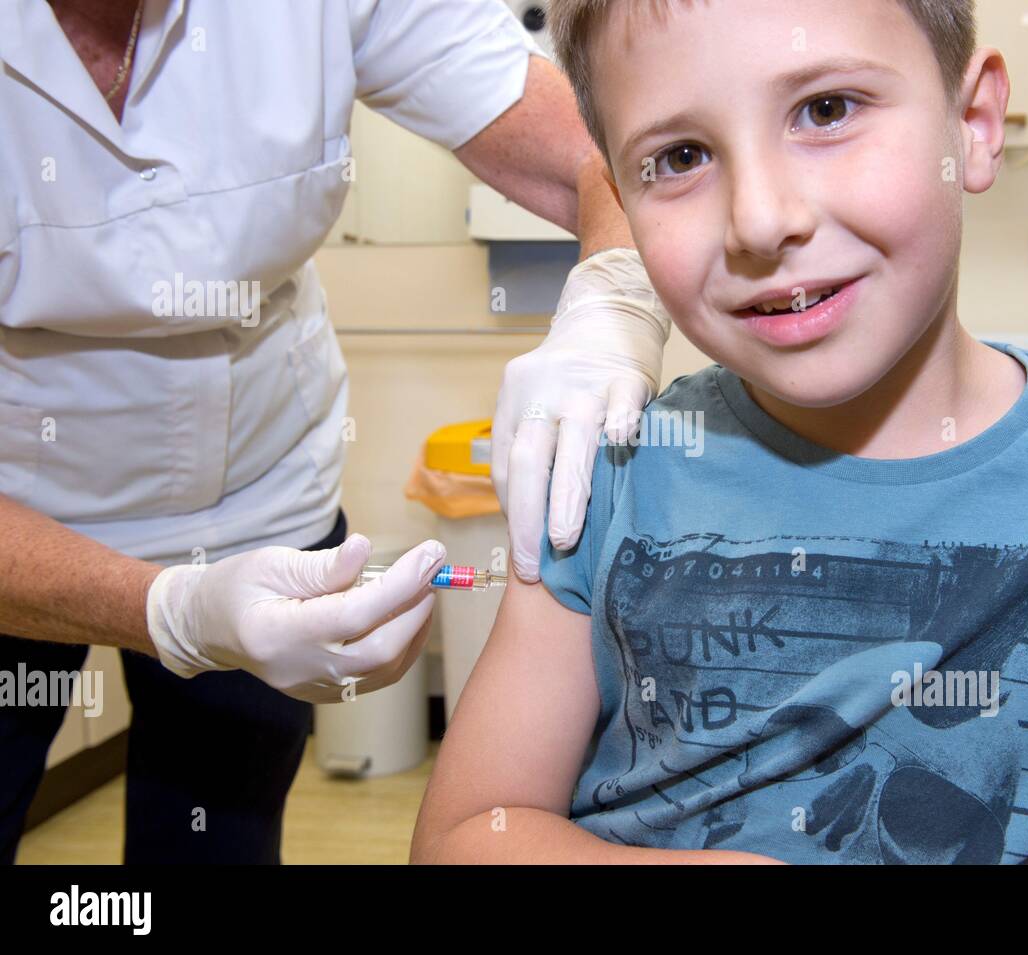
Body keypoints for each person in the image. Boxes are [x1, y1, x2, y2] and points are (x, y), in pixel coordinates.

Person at [411, 0, 1028, 863]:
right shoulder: (613, 466)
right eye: (680, 157)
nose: (759, 219)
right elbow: (464, 834)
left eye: (826, 110)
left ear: (974, 124)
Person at [0, 0, 669, 863]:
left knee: (213, 843)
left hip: (259, 490)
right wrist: (175, 611)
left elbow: (602, 154)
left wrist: (613, 304)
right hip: (22, 498)